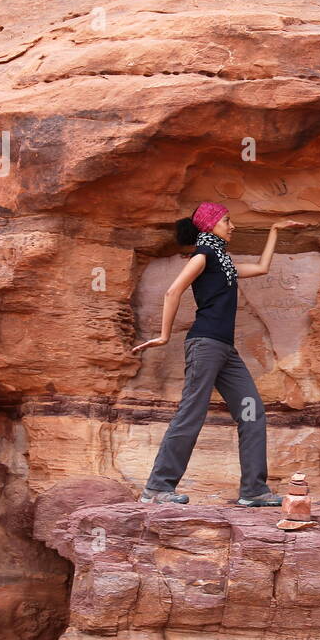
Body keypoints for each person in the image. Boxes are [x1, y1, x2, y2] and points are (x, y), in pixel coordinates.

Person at [132, 201, 299, 506]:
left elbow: (262, 267)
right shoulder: (203, 254)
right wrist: (164, 335)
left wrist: (273, 230)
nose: (231, 225)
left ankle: (253, 490)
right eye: (226, 220)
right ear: (210, 225)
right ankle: (157, 487)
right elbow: (173, 291)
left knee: (252, 412)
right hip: (205, 345)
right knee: (191, 413)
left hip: (225, 351)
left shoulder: (224, 261)